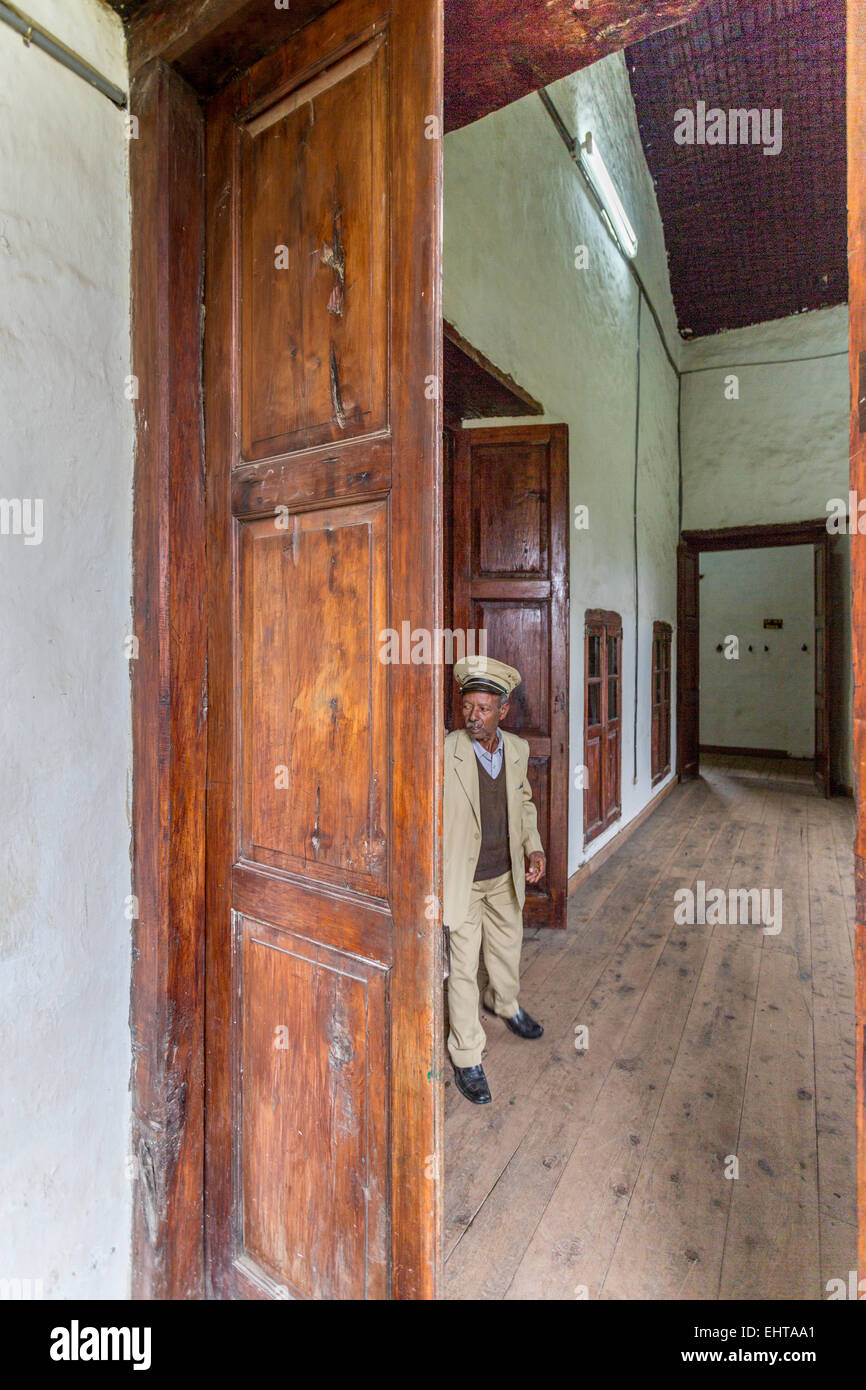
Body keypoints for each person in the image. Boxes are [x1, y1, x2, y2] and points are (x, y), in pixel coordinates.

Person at [443, 655, 546, 1104]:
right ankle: (467, 1056)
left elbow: (524, 805)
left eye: (483, 708)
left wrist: (533, 846)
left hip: (505, 875)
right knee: (463, 969)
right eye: (467, 707)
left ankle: (503, 1004)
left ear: (503, 710)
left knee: (507, 948)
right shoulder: (445, 751)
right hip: (463, 881)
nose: (473, 717)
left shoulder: (517, 750)